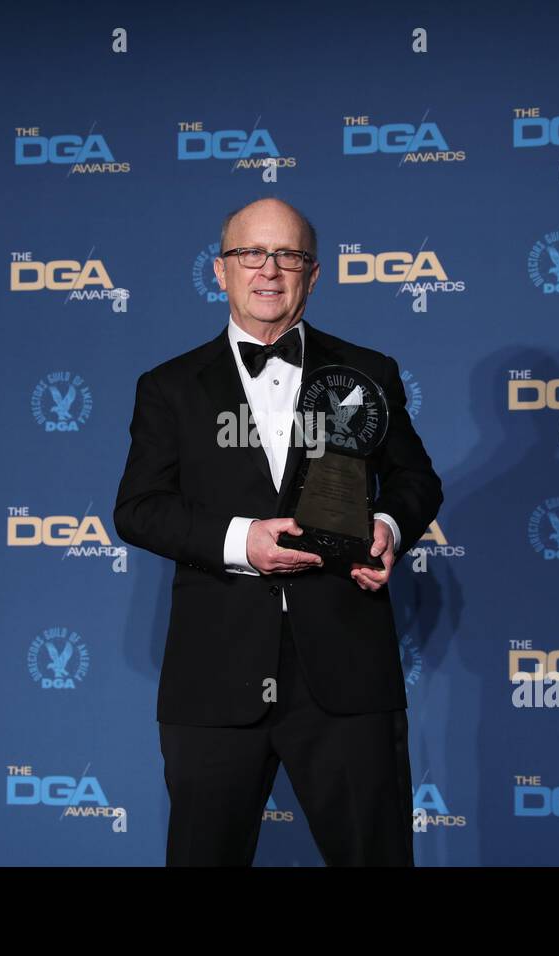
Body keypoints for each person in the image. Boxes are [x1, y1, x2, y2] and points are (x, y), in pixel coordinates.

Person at [113, 197, 443, 865]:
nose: (269, 270)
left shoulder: (367, 372)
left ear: (313, 273)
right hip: (214, 676)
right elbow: (139, 507)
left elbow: (416, 482)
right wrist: (242, 541)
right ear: (221, 271)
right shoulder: (169, 387)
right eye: (250, 254)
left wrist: (386, 525)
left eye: (288, 255)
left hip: (346, 673)